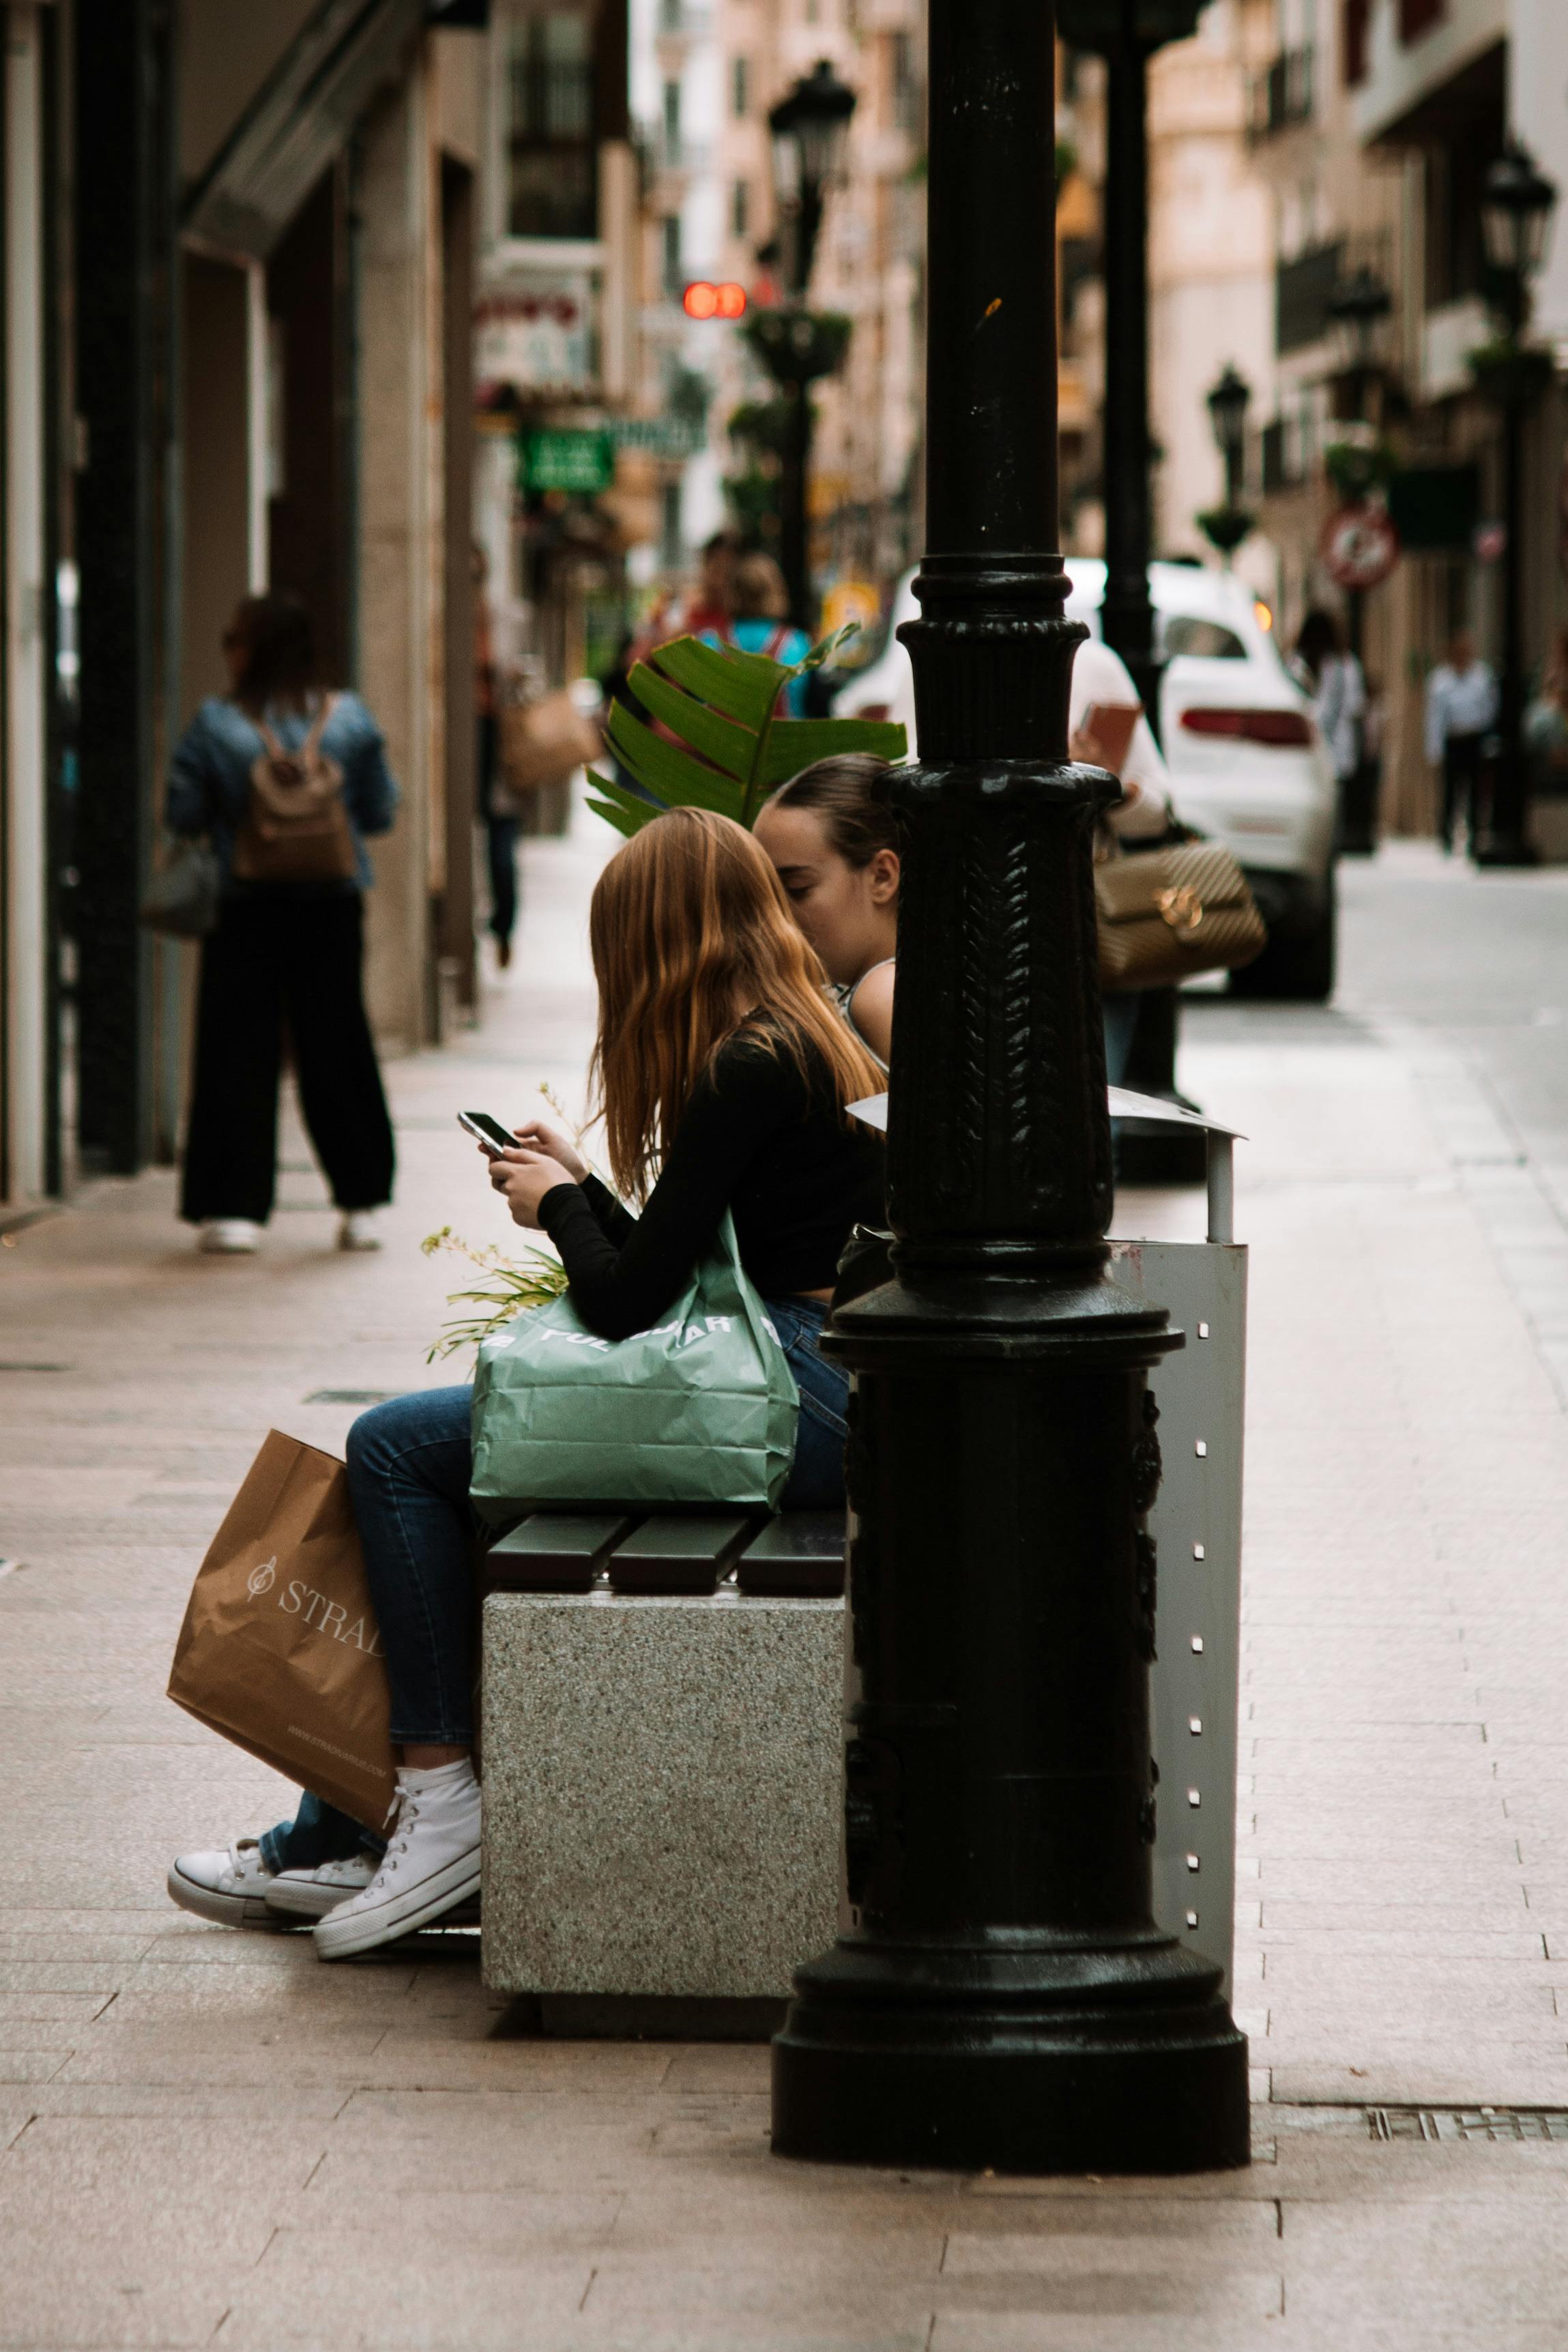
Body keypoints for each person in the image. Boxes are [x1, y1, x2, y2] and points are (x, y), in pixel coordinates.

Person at [166, 807, 884, 1954]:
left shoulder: (745, 1064)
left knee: (397, 1447)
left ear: (656, 944)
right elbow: (678, 1264)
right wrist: (579, 1186)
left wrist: (555, 1204)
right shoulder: (796, 1036)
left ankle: (434, 1799)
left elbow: (623, 1300)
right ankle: (345, 1823)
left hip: (793, 1399)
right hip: (814, 1385)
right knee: (452, 1471)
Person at [166, 592, 398, 1255]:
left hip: (246, 904)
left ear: (250, 650)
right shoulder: (349, 718)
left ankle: (233, 1209)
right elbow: (381, 811)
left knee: (238, 1046)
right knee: (339, 1041)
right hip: (332, 901)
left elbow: (180, 812)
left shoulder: (216, 725)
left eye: (231, 638)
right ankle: (361, 1202)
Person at [473, 542, 519, 972]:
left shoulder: (499, 618)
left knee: (501, 838)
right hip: (472, 736)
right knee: (497, 837)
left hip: (499, 739)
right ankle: (497, 927)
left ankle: (503, 927)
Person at [703, 552, 812, 714]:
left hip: (718, 739)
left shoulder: (710, 642)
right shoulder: (797, 643)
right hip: (781, 739)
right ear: (777, 592)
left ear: (733, 593)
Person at [1424, 627, 1498, 854]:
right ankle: (1446, 835)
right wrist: (1434, 749)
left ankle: (1475, 836)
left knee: (1475, 792)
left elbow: (1491, 708)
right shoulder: (1440, 681)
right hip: (1453, 741)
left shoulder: (1482, 677)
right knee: (1451, 792)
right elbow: (1435, 716)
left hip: (1474, 740)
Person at [1294, 607, 1366, 802]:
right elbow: (1353, 707)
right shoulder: (1344, 667)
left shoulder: (1299, 666)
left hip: (1318, 751)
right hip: (1329, 751)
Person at [681, 528, 741, 640]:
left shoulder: (743, 613)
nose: (722, 578)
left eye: (729, 571)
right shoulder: (688, 610)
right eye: (718, 568)